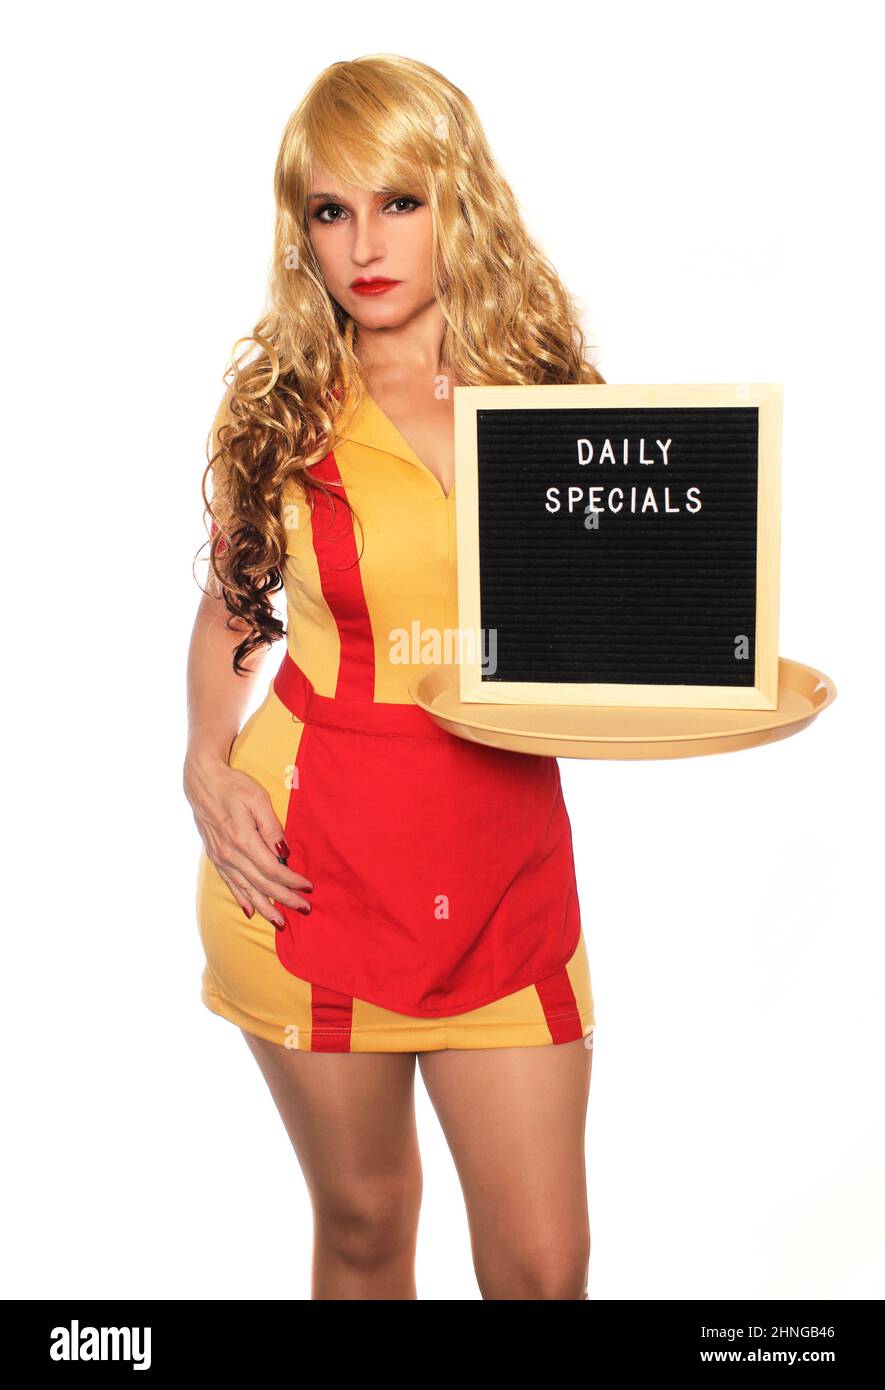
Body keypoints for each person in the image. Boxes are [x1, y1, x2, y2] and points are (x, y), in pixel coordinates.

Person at [183, 53, 606, 1301]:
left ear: (457, 200)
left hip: (504, 867)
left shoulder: (551, 398)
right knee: (367, 1230)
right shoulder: (279, 412)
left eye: (399, 201)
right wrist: (205, 755)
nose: (364, 242)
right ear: (301, 231)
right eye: (330, 210)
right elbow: (233, 606)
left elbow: (630, 619)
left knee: (544, 1267)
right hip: (309, 868)